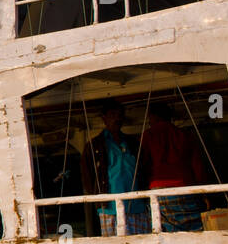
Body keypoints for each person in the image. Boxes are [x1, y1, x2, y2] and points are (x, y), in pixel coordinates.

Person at [81, 100, 150, 236]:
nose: (117, 118)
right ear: (104, 118)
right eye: (113, 115)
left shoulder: (132, 143)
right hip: (110, 208)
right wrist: (98, 199)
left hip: (137, 206)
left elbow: (145, 168)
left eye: (120, 115)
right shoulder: (95, 145)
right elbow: (87, 176)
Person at [142, 102, 208, 231]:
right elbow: (197, 165)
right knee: (194, 228)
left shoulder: (149, 135)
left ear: (154, 117)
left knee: (167, 231)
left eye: (149, 117)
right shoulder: (183, 134)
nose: (149, 121)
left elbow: (144, 164)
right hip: (184, 186)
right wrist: (203, 192)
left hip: (159, 188)